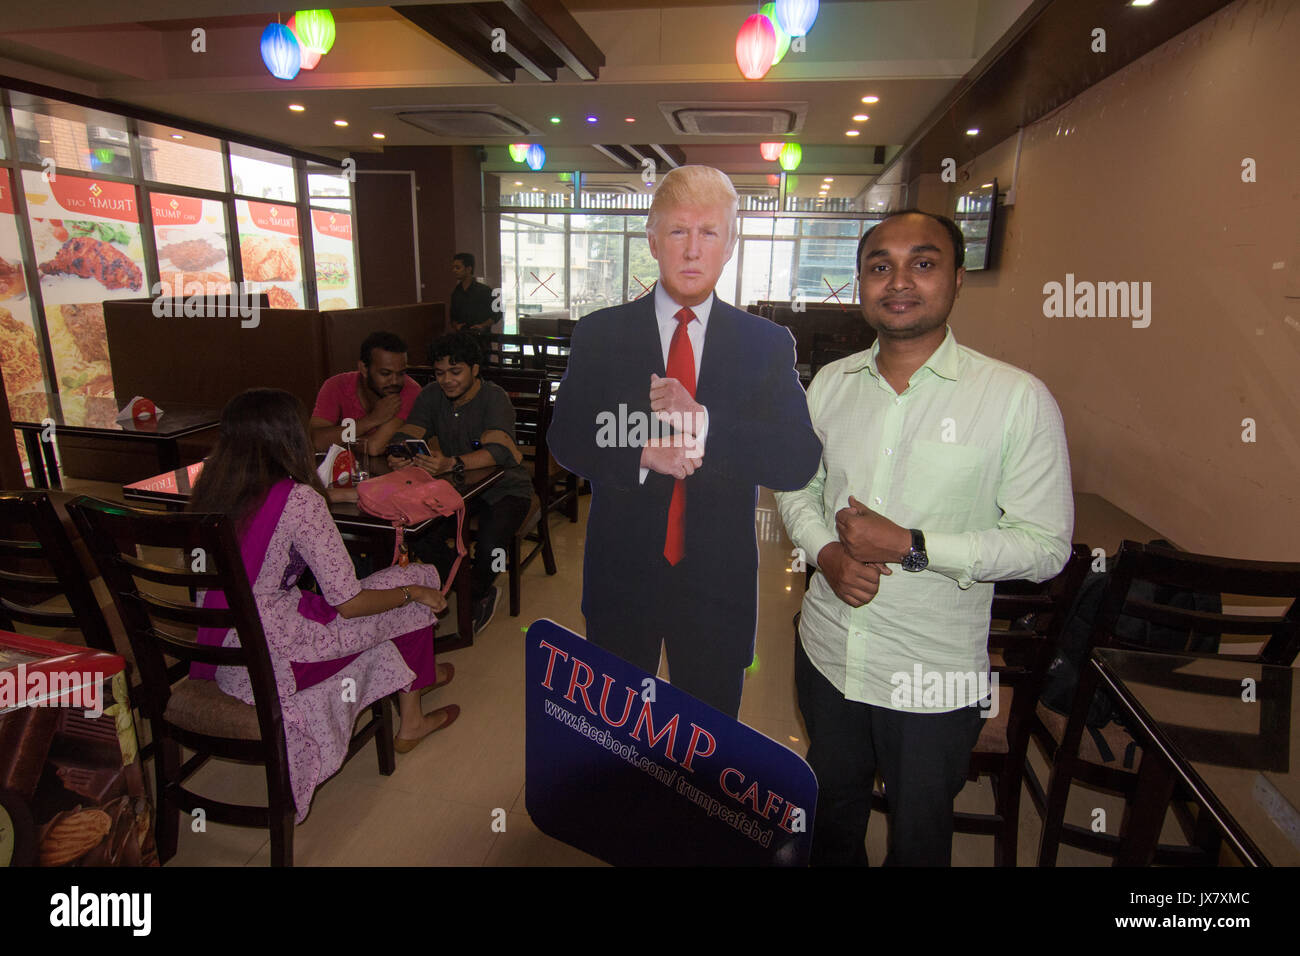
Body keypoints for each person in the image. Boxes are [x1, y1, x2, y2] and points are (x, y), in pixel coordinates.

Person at [774, 210, 1073, 866]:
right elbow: (796, 487)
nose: (899, 280)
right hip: (827, 653)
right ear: (860, 284)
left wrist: (911, 543)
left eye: (923, 262)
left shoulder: (1016, 399)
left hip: (930, 675)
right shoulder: (831, 384)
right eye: (880, 265)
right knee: (832, 815)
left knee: (918, 837)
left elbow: (1047, 546)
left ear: (958, 280)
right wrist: (826, 554)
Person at [549, 165, 822, 719]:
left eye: (709, 233)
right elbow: (568, 436)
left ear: (730, 244)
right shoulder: (600, 334)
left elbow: (797, 458)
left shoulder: (765, 345)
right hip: (621, 575)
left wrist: (706, 425)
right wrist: (643, 452)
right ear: (652, 239)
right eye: (677, 232)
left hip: (718, 584)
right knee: (614, 731)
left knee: (710, 743)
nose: (692, 250)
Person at [189, 388, 459, 823]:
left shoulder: (213, 487)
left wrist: (331, 498)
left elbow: (265, 519)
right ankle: (413, 719)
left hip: (224, 648)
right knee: (416, 579)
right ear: (289, 437)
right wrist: (416, 595)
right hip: (278, 658)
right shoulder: (299, 500)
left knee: (399, 586)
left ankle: (417, 680)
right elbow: (349, 603)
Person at [390, 331, 533, 634]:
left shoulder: (494, 398)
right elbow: (408, 432)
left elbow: (500, 451)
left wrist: (450, 463)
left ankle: (478, 590)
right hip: (458, 490)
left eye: (456, 371)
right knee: (418, 534)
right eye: (440, 373)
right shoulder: (431, 395)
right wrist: (400, 451)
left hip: (507, 488)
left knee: (491, 547)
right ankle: (466, 582)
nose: (447, 380)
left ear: (475, 369)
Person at [309, 330, 421, 457]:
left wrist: (338, 440)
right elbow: (315, 441)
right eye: (385, 373)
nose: (395, 381)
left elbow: (374, 447)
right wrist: (372, 420)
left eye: (401, 373)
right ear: (364, 369)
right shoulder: (335, 385)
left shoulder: (410, 390)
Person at [448, 252, 497, 349]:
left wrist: (482, 325)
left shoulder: (484, 290)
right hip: (462, 341)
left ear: (468, 269)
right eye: (453, 267)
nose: (454, 270)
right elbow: (453, 316)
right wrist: (456, 325)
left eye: (458, 268)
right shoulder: (456, 292)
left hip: (481, 341)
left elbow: (497, 313)